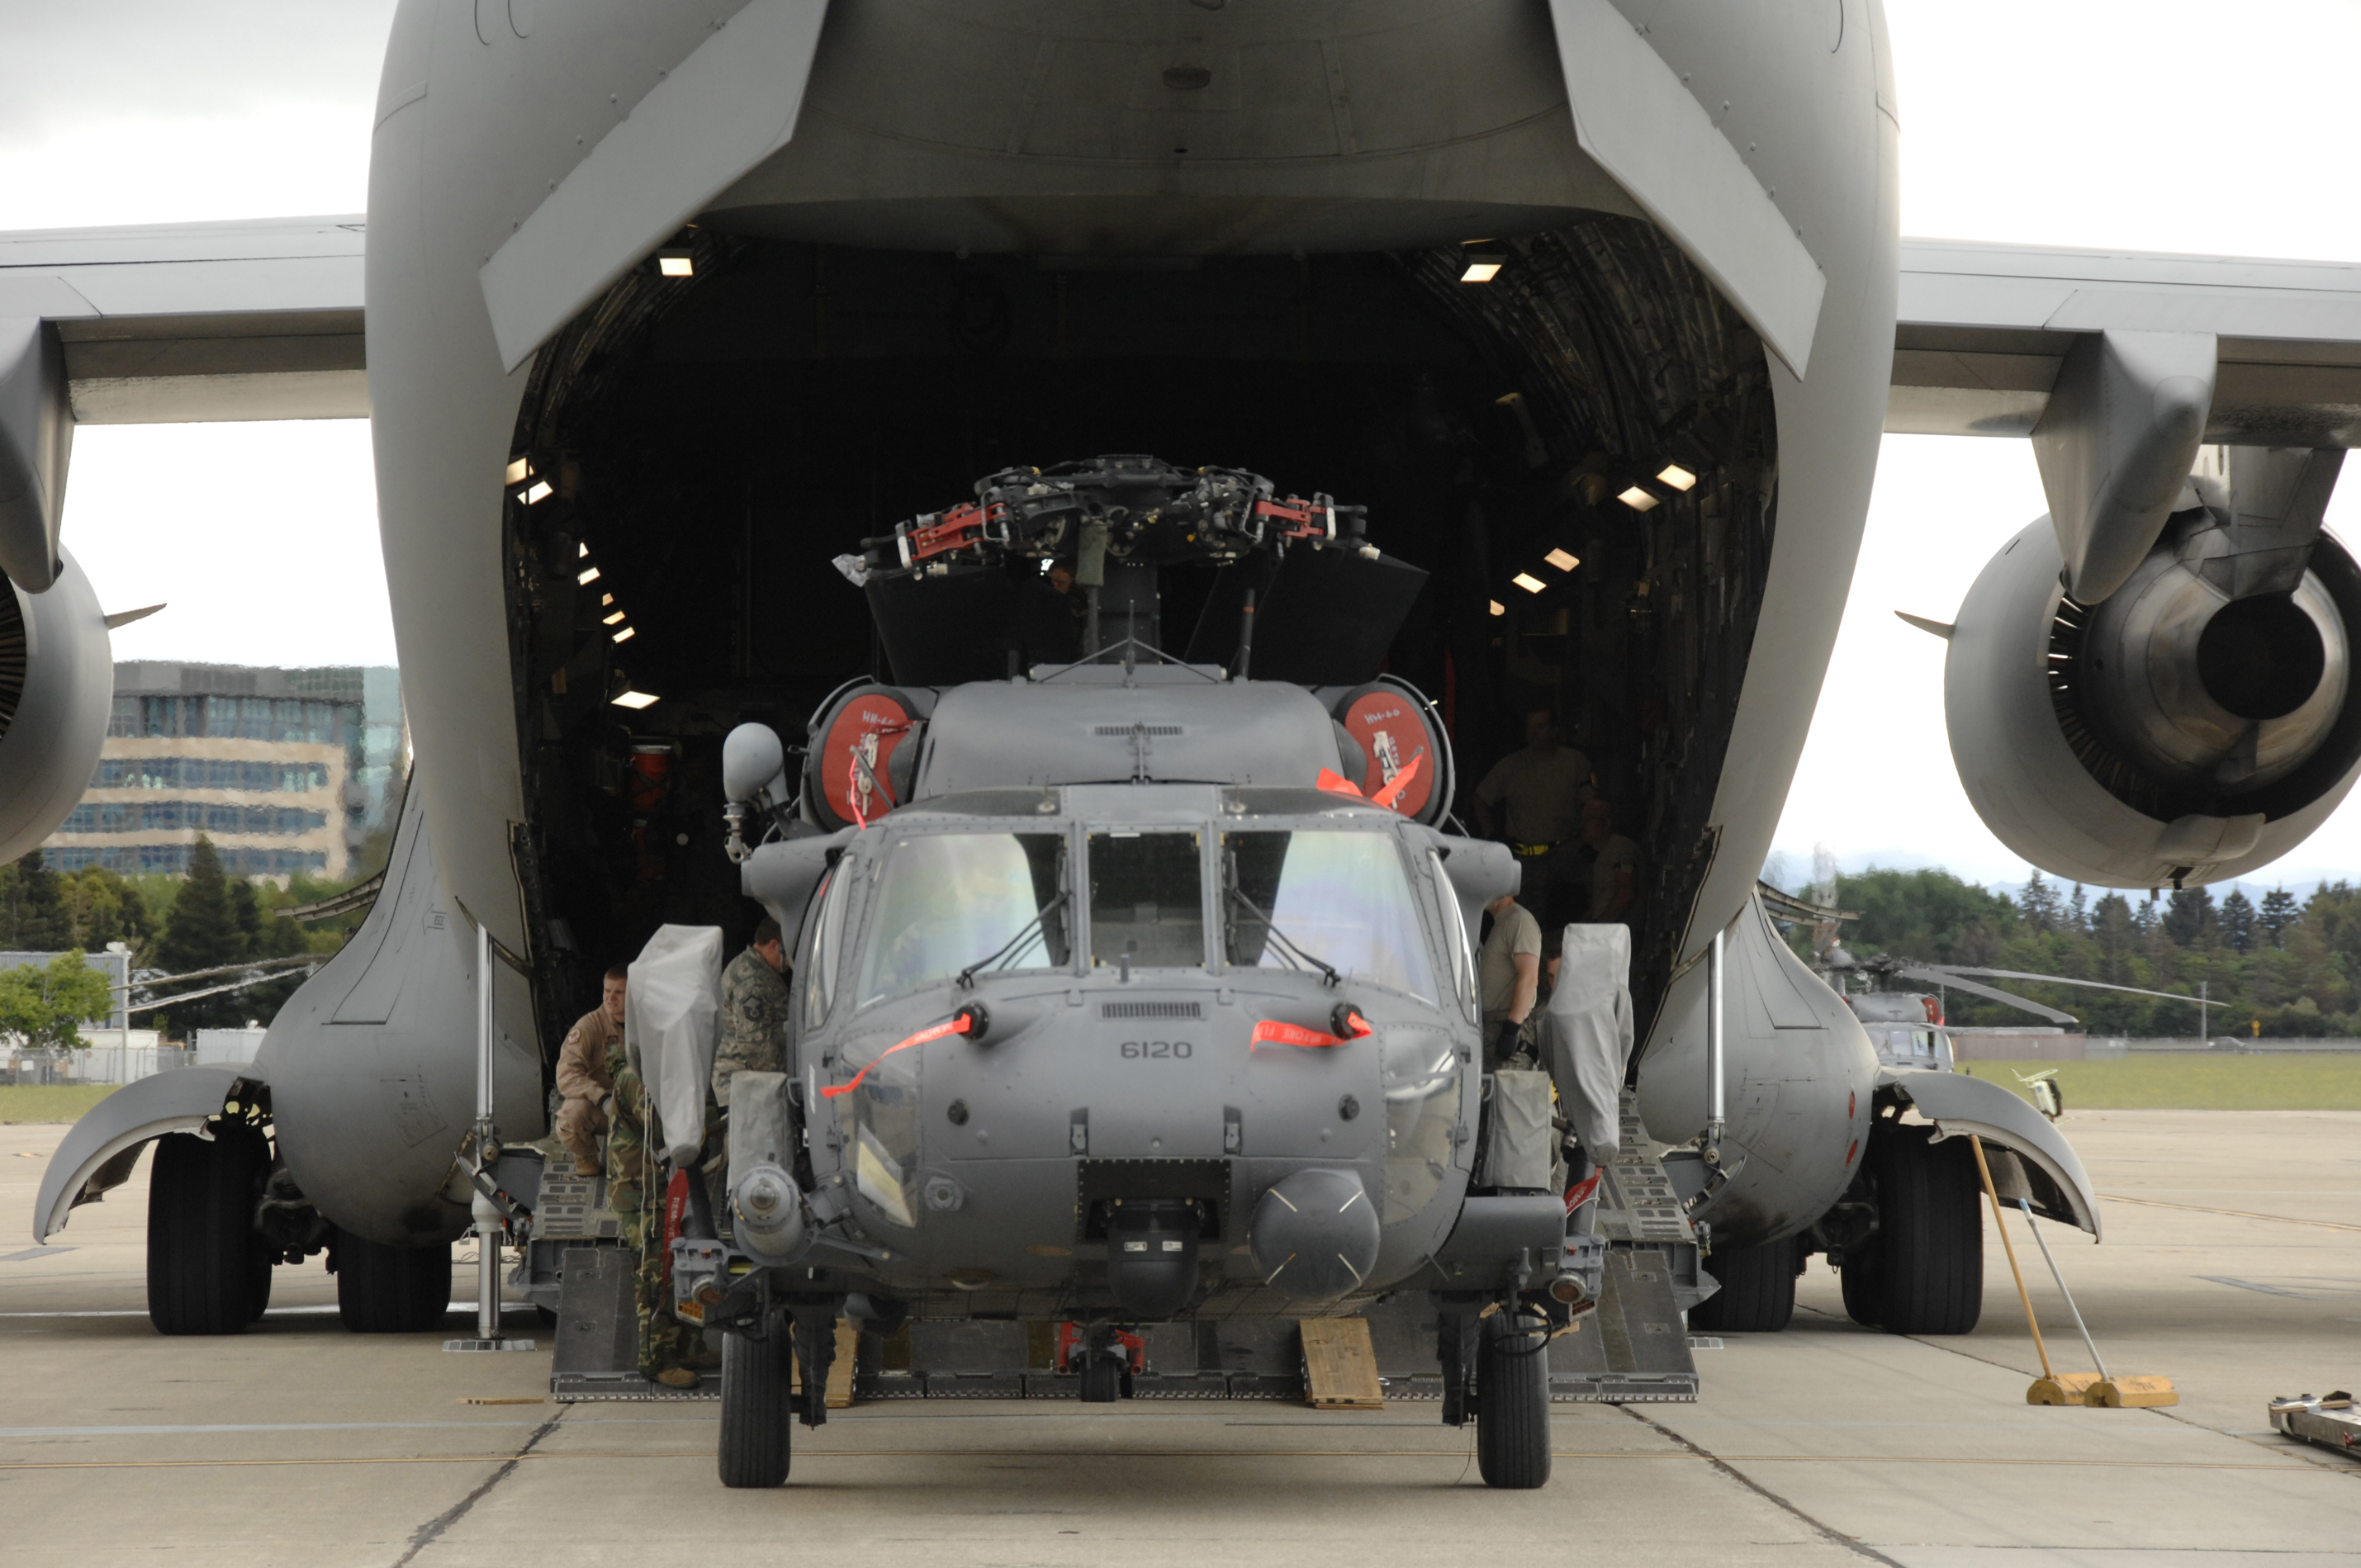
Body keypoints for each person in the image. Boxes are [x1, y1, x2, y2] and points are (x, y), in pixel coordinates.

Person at [604, 1024, 704, 1388]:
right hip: (641, 1193)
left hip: (660, 1189)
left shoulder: (651, 1072)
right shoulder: (634, 1075)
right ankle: (655, 1361)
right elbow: (659, 1124)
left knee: (678, 1267)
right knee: (654, 1277)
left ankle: (685, 1346)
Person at [1473, 710, 1594, 929]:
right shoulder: (1512, 765)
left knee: (1578, 909)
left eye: (1540, 727)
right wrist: (1492, 834)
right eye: (1530, 728)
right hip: (1527, 858)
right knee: (1528, 925)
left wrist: (1589, 837)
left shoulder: (1574, 762)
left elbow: (1592, 803)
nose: (1534, 733)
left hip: (1565, 852)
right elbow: (1481, 798)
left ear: (1554, 731)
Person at [712, 916, 793, 1107]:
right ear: (774, 945)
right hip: (746, 1089)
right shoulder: (752, 979)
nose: (790, 961)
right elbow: (755, 1042)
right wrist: (784, 1079)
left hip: (751, 1086)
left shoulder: (759, 970)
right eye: (789, 952)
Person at [552, 964, 626, 1171]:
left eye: (619, 992)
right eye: (607, 991)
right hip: (604, 1108)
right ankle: (586, 1154)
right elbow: (567, 1074)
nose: (611, 997)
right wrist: (602, 1097)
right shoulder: (589, 1026)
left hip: (640, 1105)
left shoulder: (649, 1025)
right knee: (572, 1116)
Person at [1477, 889, 1542, 1069]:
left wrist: (1511, 1030)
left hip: (1510, 1031)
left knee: (1508, 1095)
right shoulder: (1502, 921)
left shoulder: (1519, 920)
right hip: (1493, 1029)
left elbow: (1529, 977)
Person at [1582, 798, 1642, 926]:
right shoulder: (1602, 854)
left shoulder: (1621, 848)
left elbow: (1626, 892)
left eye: (1589, 819)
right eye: (1582, 819)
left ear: (1607, 822)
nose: (1582, 824)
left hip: (1618, 931)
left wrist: (1599, 928)